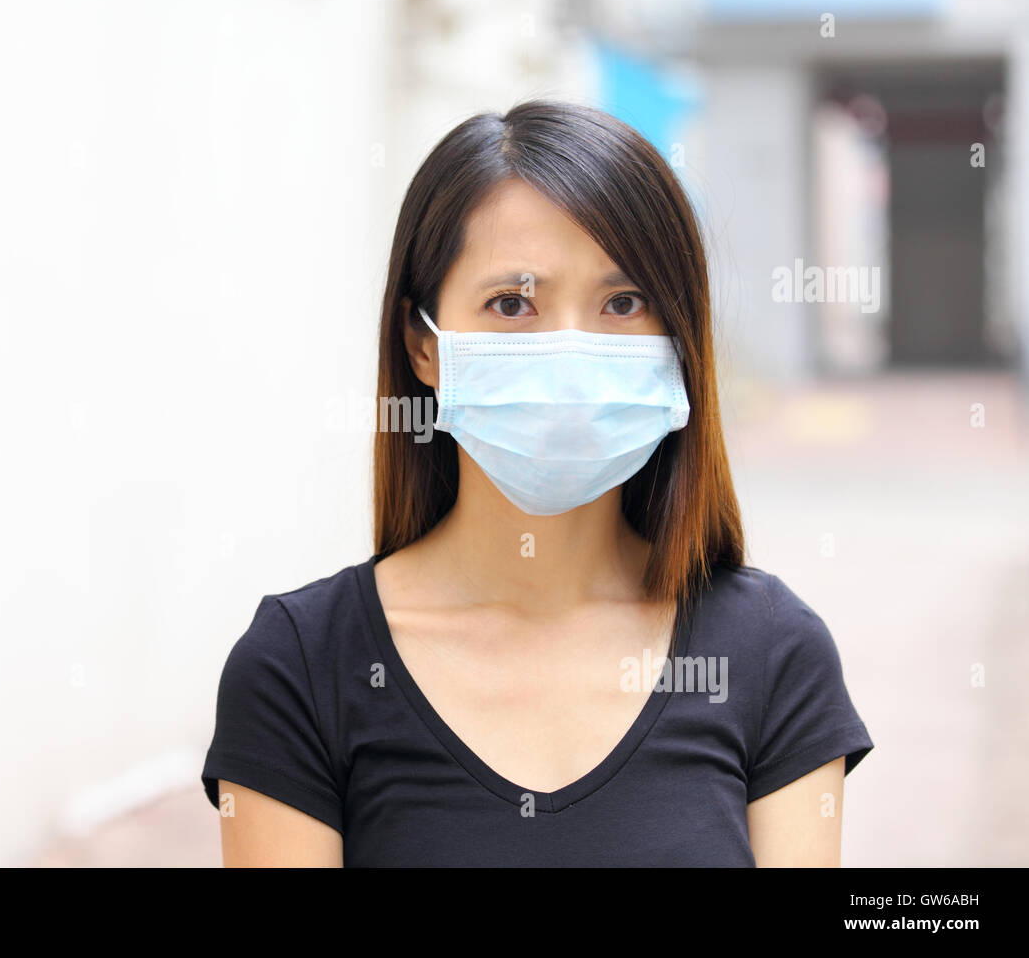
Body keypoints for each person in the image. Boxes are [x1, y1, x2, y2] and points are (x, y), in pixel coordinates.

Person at [200, 99, 873, 867]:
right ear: (424, 347)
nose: (570, 350)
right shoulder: (299, 668)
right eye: (512, 303)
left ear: (679, 336)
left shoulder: (772, 654)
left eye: (623, 303)